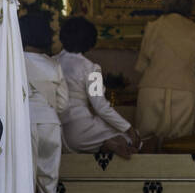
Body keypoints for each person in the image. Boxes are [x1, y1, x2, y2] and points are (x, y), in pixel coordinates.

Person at [134, 0, 195, 149]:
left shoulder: (153, 27)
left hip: (151, 89)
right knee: (179, 147)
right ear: (191, 6)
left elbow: (141, 65)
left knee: (146, 145)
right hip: (185, 92)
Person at [56, 16, 139, 157]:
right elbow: (100, 107)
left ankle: (106, 144)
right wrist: (128, 127)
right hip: (81, 129)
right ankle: (111, 144)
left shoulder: (53, 62)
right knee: (130, 137)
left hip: (58, 133)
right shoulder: (91, 68)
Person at [21, 12, 68, 193]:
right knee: (47, 187)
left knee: (24, 184)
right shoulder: (54, 65)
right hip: (49, 125)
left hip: (23, 124)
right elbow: (63, 104)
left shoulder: (15, 60)